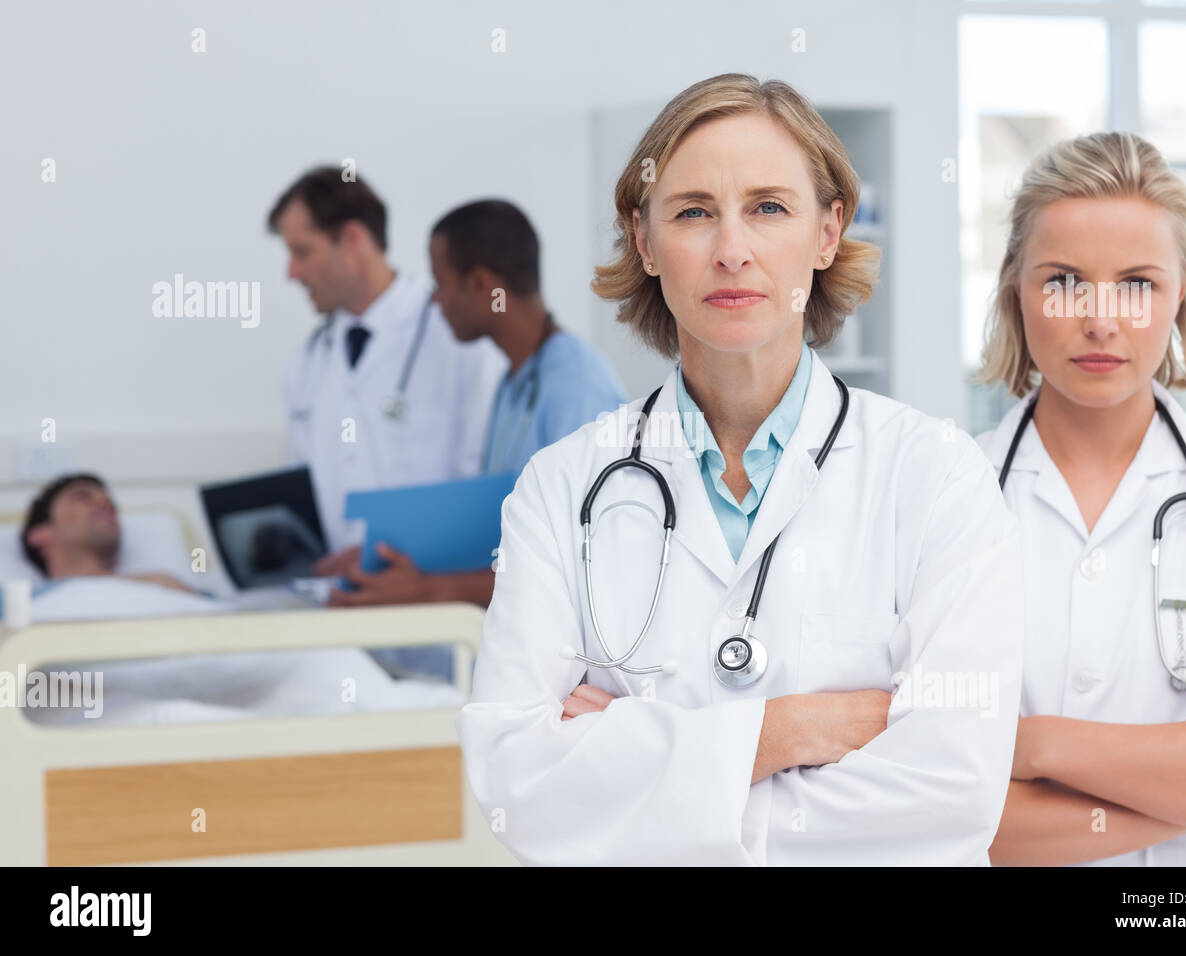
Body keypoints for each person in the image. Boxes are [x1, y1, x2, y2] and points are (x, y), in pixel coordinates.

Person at [456, 74, 1025, 866]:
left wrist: (646, 776)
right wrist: (791, 730)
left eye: (769, 207)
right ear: (645, 241)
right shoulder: (560, 490)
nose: (732, 250)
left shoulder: (934, 475)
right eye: (693, 212)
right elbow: (520, 791)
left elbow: (955, 790)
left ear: (828, 233)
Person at [977, 131, 1186, 866]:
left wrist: (1035, 746)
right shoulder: (947, 498)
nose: (1101, 318)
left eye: (1137, 283)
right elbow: (938, 804)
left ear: (1180, 290)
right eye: (1062, 280)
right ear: (1015, 290)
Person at [329, 199, 626, 610]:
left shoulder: (577, 390)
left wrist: (429, 590)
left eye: (440, 282)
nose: (434, 300)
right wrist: (381, 557)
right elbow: (507, 533)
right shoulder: (514, 380)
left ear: (481, 285)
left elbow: (586, 567)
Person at [268, 167, 506, 563]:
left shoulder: (459, 340)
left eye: (302, 252)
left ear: (352, 239)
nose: (291, 273)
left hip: (438, 595)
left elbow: (483, 490)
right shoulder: (305, 363)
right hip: (338, 599)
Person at [21, 473, 203, 611]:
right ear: (39, 534)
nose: (104, 504)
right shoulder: (19, 603)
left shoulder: (173, 587)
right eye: (82, 497)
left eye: (110, 504)